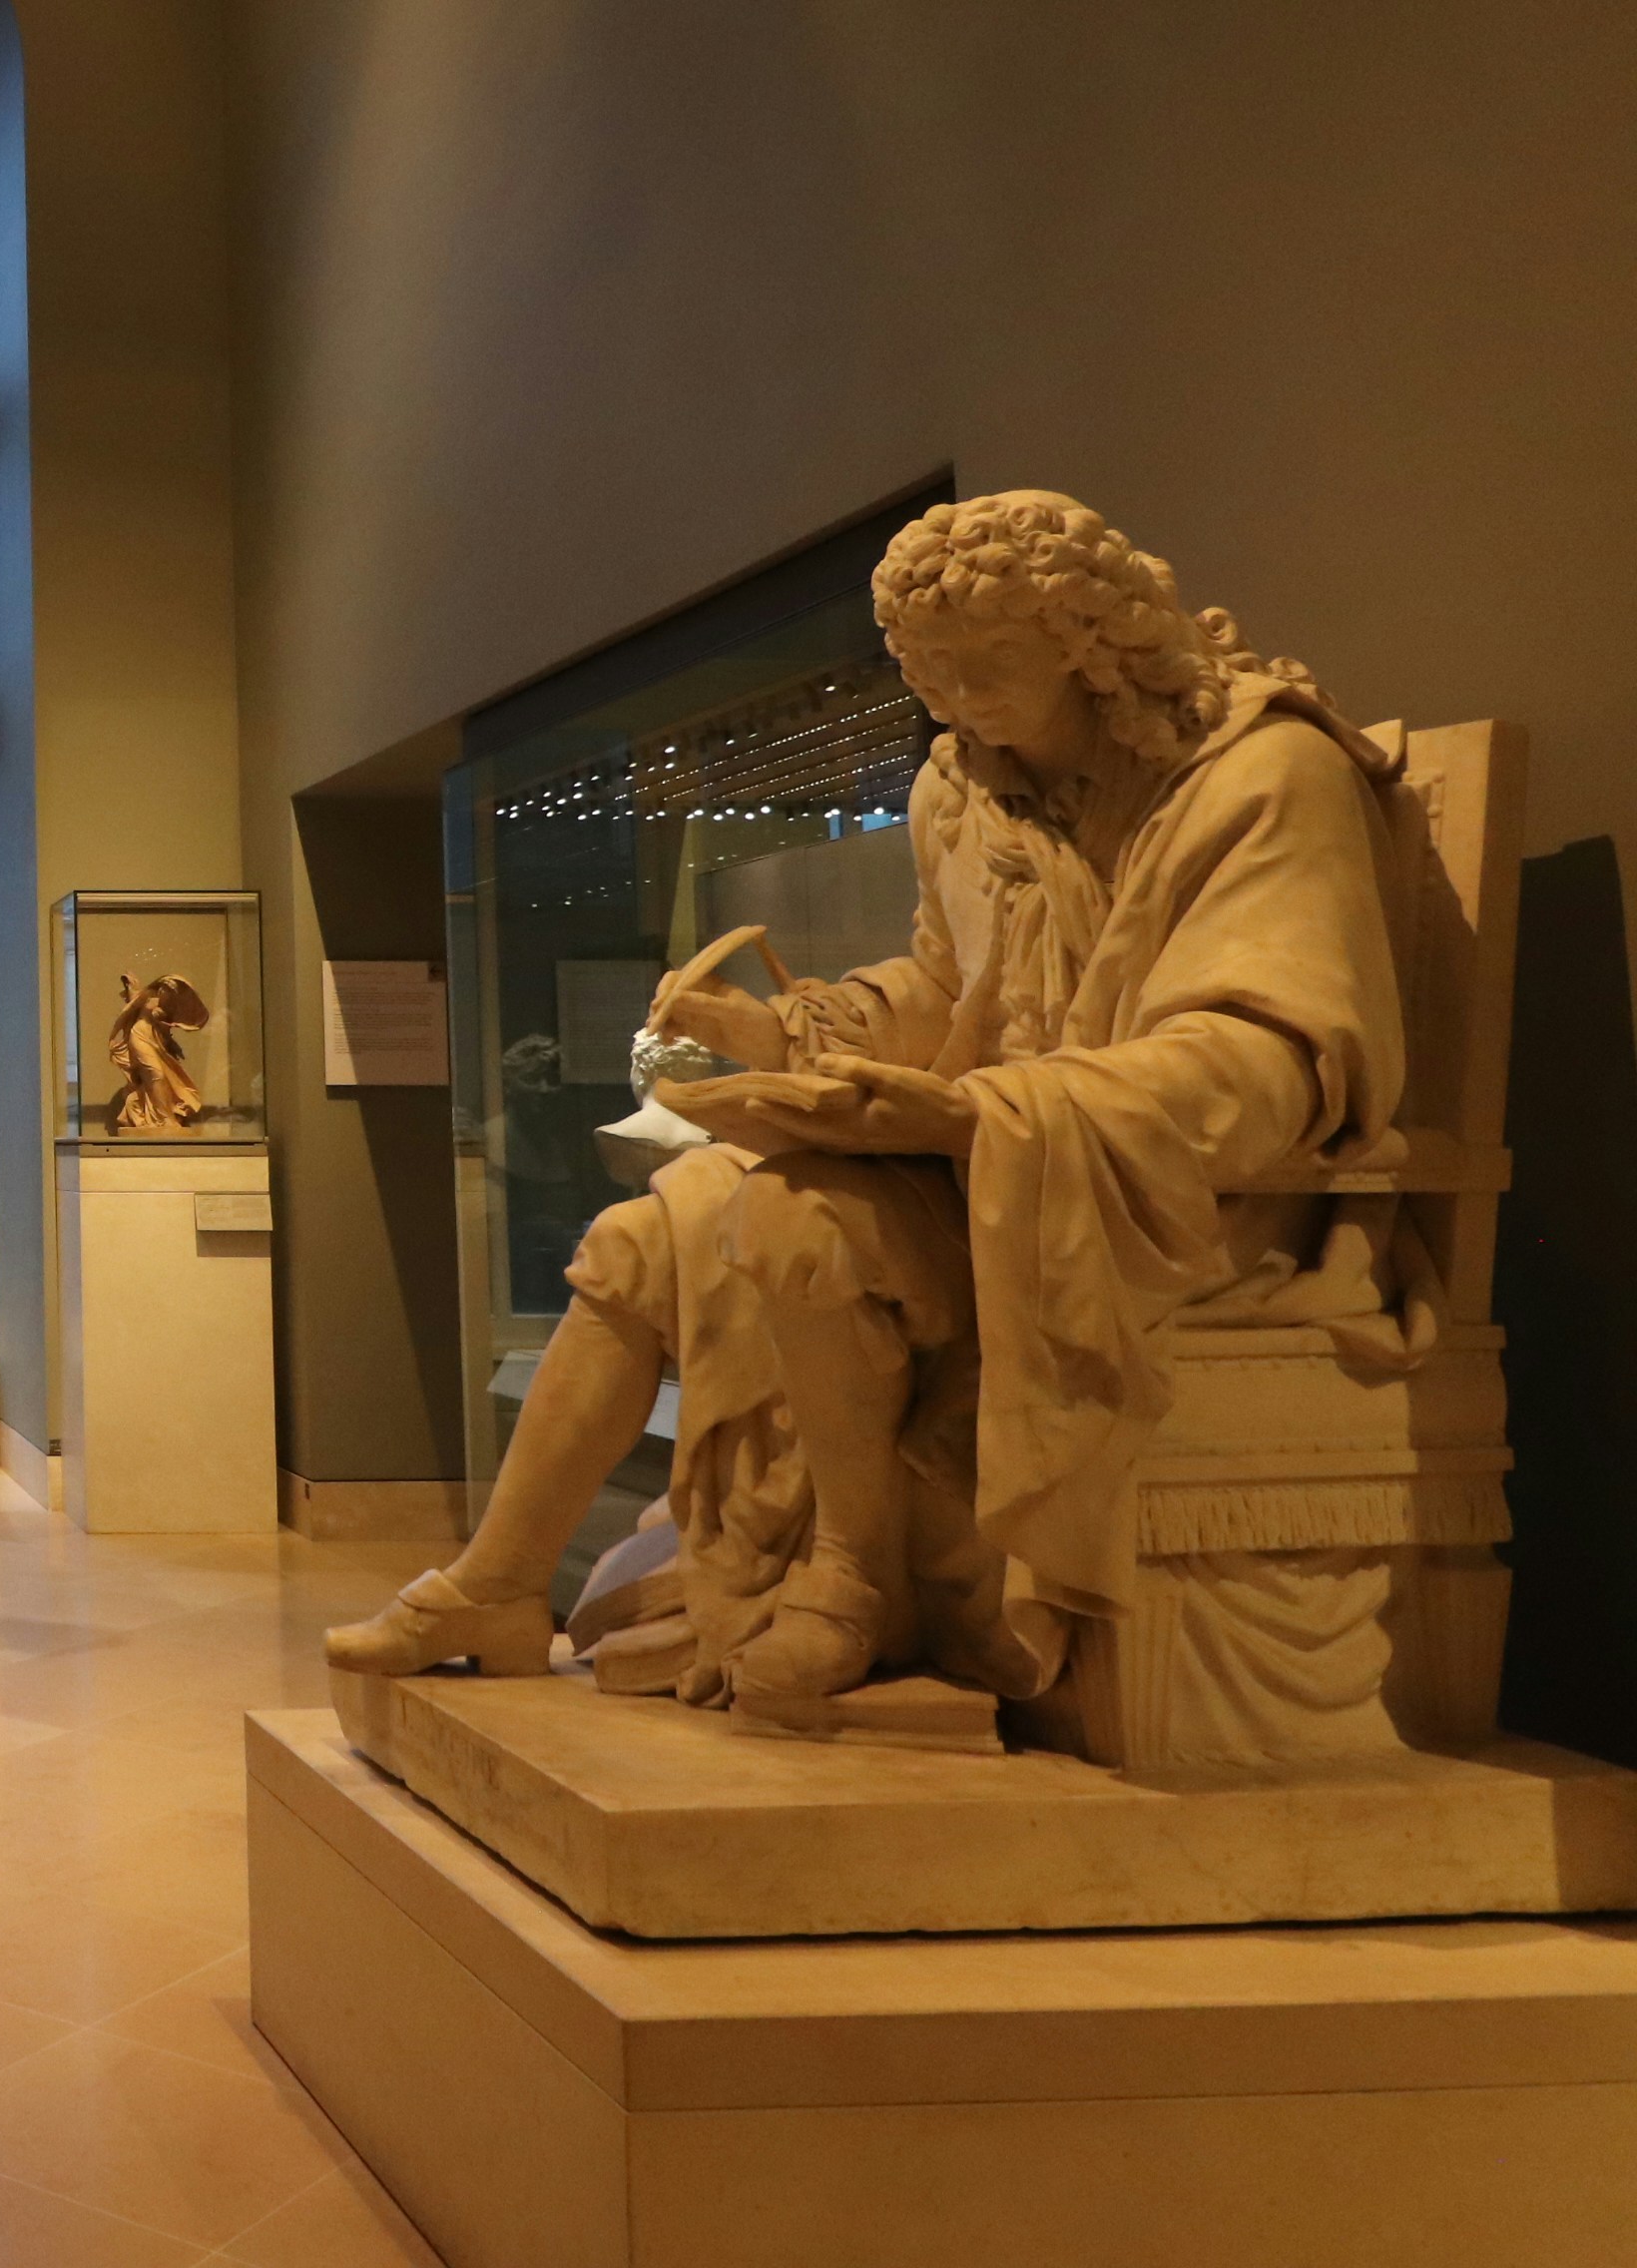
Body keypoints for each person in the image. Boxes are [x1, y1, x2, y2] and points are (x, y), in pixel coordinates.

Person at [327, 493, 1410, 1709]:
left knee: (801, 1220)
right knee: (644, 1237)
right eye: (928, 676)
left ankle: (855, 1578)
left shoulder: (1262, 777)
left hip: (1175, 1199)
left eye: (988, 665)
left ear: (1091, 641)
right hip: (995, 1167)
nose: (955, 702)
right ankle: (500, 1580)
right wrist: (793, 1031)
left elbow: (1268, 1060)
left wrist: (978, 1117)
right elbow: (950, 989)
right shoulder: (966, 784)